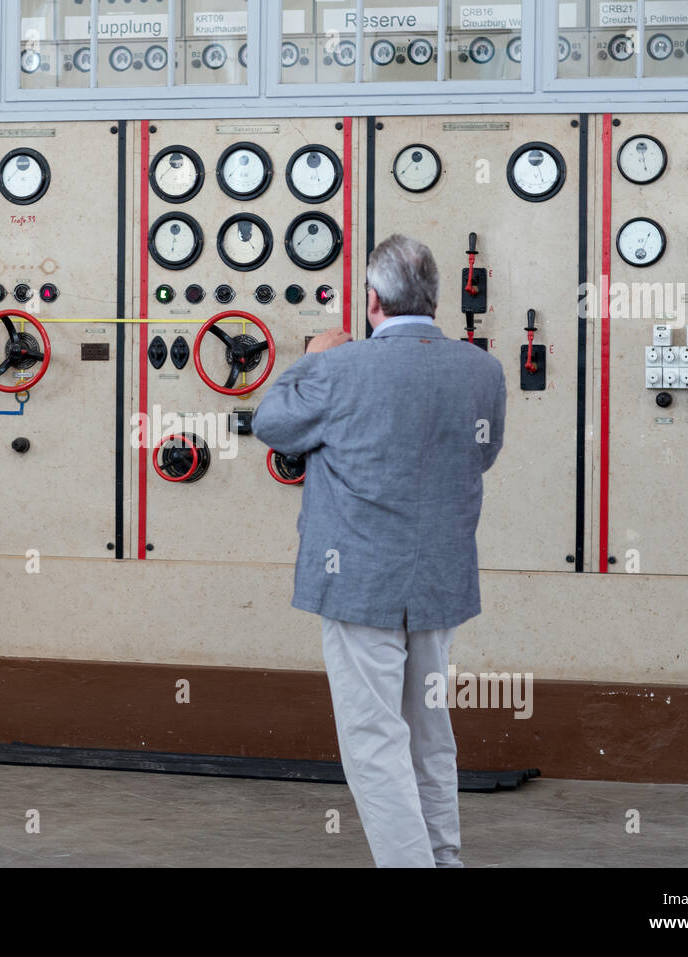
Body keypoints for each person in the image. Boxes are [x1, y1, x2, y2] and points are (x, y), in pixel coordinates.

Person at [252, 233, 506, 867]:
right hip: (439, 583)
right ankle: (443, 861)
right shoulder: (483, 369)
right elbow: (481, 455)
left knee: (373, 741)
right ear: (438, 298)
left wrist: (310, 356)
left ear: (372, 301)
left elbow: (272, 424)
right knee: (430, 737)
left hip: (359, 582)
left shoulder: (338, 369)